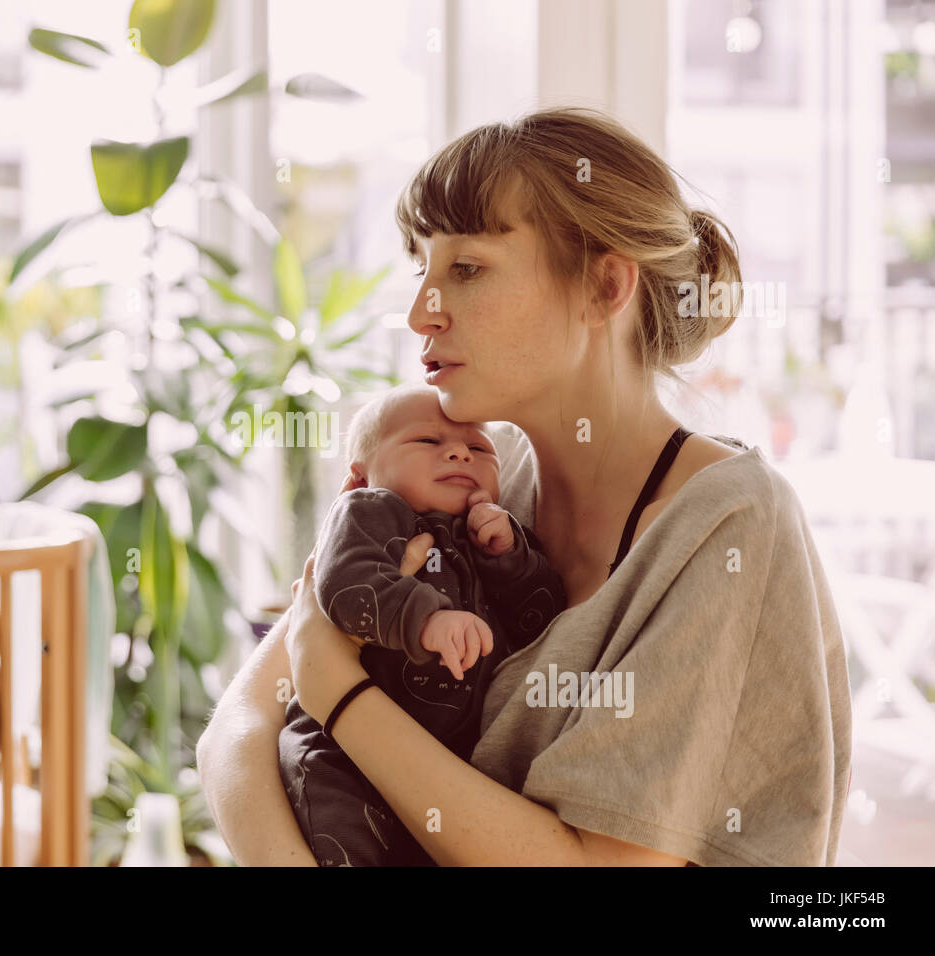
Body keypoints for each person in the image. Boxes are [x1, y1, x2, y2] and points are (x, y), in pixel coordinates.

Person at [196, 107, 852, 866]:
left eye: (465, 269)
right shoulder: (478, 468)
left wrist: (337, 694)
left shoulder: (728, 523)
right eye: (423, 269)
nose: (421, 314)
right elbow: (234, 733)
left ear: (604, 286)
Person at [278, 385, 566, 866]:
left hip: (442, 759)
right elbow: (345, 585)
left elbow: (544, 612)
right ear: (359, 476)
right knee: (349, 844)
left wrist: (510, 560)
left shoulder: (492, 528)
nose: (458, 451)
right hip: (340, 754)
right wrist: (425, 618)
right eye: (427, 442)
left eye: (478, 449)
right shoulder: (371, 512)